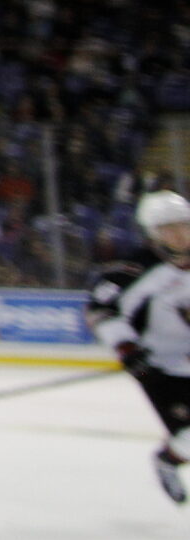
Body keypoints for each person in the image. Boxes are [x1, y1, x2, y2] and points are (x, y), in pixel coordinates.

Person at [87, 190, 190, 504]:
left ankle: (170, 457)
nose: (179, 234)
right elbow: (101, 312)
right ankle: (167, 460)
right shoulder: (132, 271)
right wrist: (127, 349)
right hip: (158, 367)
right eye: (167, 228)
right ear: (152, 234)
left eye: (183, 224)